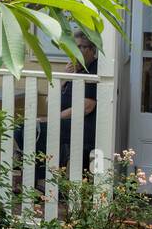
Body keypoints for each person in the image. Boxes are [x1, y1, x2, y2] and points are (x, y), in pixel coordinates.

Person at [18, 32, 99, 177]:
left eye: (81, 47)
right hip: (64, 123)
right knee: (20, 129)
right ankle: (28, 175)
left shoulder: (95, 69)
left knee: (37, 130)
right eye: (74, 47)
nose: (76, 51)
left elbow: (87, 106)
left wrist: (51, 119)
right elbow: (50, 102)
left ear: (92, 50)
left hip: (84, 126)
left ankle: (43, 178)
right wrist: (64, 78)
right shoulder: (74, 70)